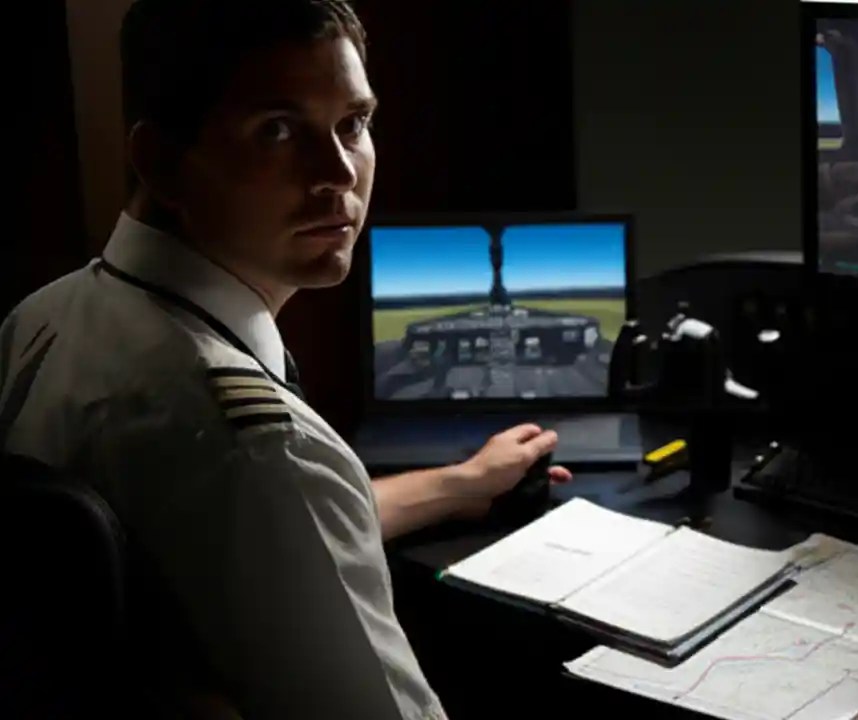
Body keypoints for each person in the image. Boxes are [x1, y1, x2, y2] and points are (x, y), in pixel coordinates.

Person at [0, 1, 568, 717]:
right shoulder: (256, 445)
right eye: (277, 130)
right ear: (161, 160)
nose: (337, 172)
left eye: (353, 125)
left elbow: (266, 534)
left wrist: (461, 484)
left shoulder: (44, 317)